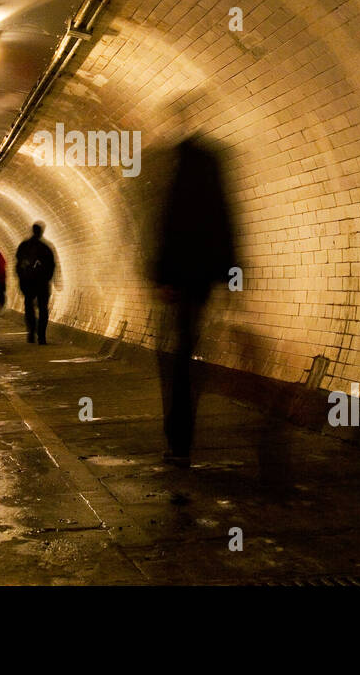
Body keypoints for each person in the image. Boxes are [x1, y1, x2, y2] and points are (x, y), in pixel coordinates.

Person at [151, 132, 236, 467]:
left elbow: (166, 229)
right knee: (187, 352)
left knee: (173, 360)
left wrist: (162, 278)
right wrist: (230, 275)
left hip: (180, 282)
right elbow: (227, 221)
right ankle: (183, 433)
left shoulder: (175, 180)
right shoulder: (213, 172)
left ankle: (178, 438)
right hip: (203, 280)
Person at [15, 223, 56, 344]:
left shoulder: (24, 246)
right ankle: (42, 336)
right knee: (43, 309)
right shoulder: (46, 247)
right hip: (42, 284)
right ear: (41, 232)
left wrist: (21, 279)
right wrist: (48, 278)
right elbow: (52, 265)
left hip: (28, 283)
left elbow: (18, 264)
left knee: (29, 308)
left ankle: (31, 331)